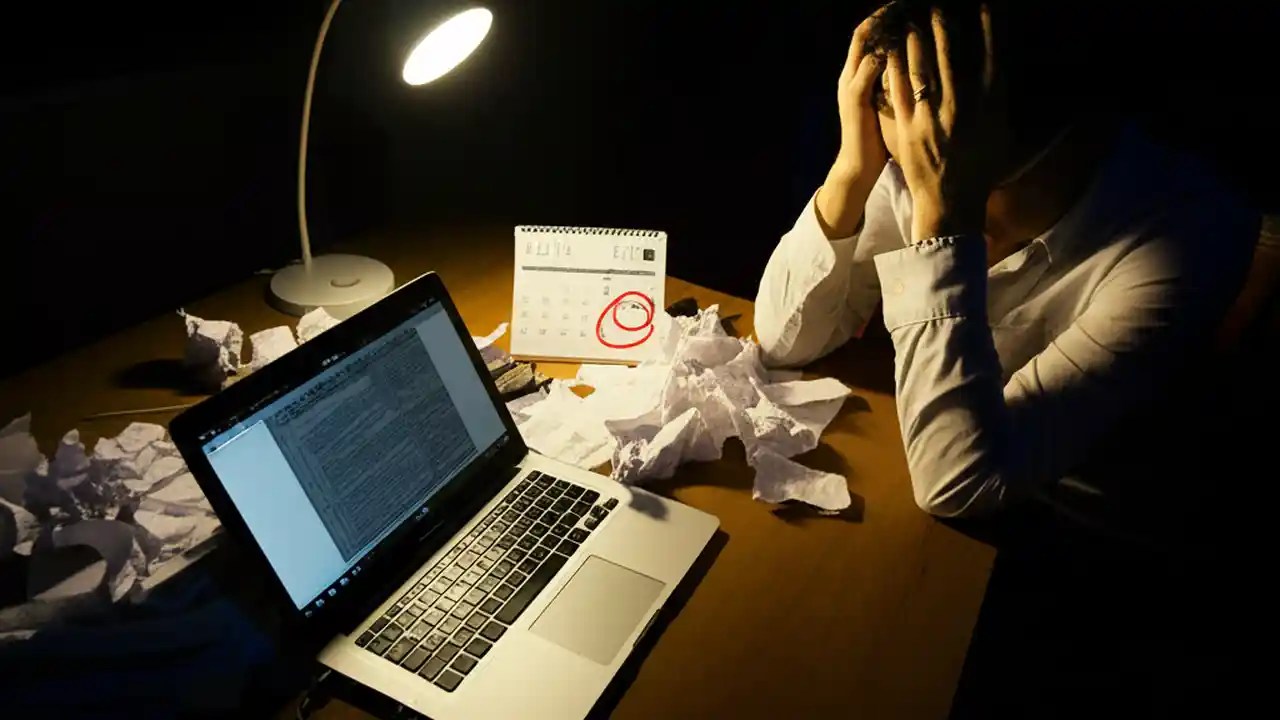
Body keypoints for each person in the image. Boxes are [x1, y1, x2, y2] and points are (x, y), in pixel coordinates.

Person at [755, 0, 1258, 518]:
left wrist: (943, 226)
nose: (903, 173)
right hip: (922, 462)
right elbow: (784, 339)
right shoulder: (916, 156)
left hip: (1080, 521)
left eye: (924, 160)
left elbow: (958, 483)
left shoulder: (1183, 239)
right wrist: (851, 170)